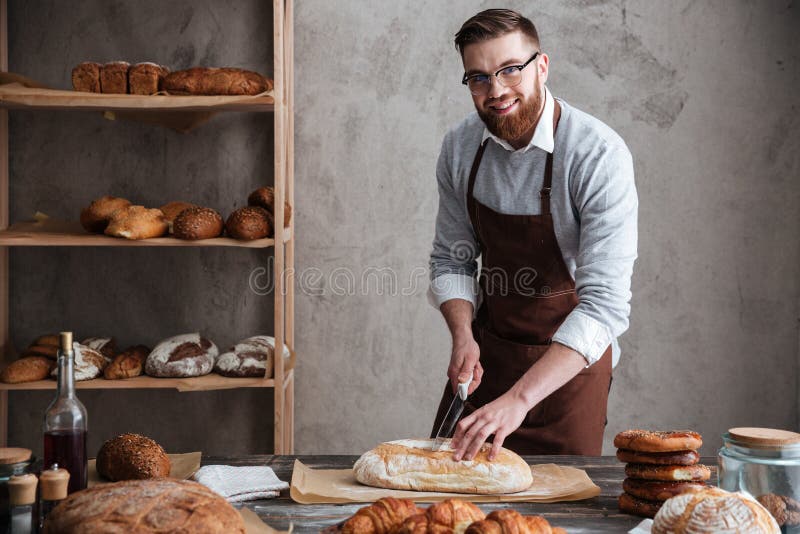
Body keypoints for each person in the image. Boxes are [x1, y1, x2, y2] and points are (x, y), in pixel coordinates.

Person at [428, 8, 637, 461]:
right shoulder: (460, 148)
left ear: (542, 66)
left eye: (510, 70)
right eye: (478, 78)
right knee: (450, 510)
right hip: (489, 364)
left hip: (566, 380)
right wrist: (463, 334)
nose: (496, 90)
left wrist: (521, 400)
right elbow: (451, 259)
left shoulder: (596, 155)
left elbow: (603, 307)